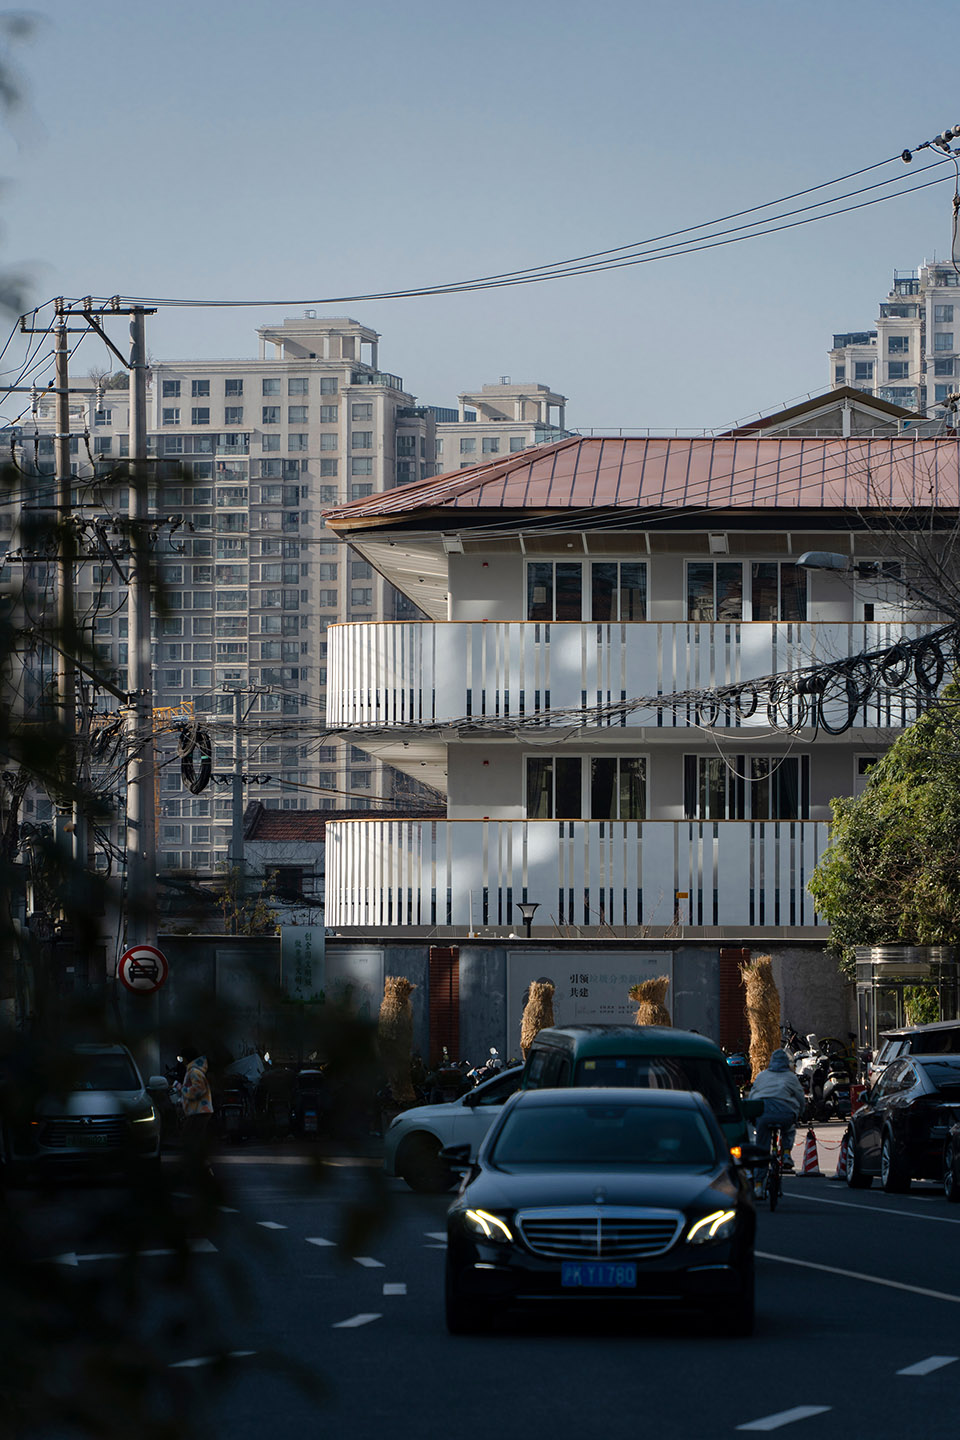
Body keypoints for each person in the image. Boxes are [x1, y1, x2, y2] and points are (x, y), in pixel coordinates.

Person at [749, 1048, 805, 1176]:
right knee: (789, 1129)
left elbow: (753, 1094)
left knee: (762, 1150)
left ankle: (758, 1184)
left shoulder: (762, 1075)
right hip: (785, 1113)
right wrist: (801, 1112)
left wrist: (751, 1115)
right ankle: (786, 1153)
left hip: (763, 1114)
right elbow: (800, 1096)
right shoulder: (791, 1077)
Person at [180, 1048, 214, 1172]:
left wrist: (181, 1089)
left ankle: (200, 1165)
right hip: (199, 1111)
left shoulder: (194, 1071)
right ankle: (200, 1165)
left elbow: (198, 1089)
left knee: (189, 1137)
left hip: (199, 1111)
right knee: (194, 1137)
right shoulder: (194, 1070)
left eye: (182, 1058)